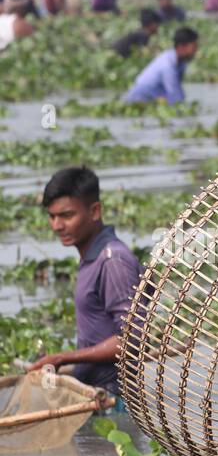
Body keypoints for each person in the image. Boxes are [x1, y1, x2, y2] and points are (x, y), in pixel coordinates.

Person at [28, 167, 143, 398]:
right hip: (91, 392)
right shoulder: (92, 256)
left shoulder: (113, 261)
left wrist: (63, 357)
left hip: (113, 399)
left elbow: (131, 340)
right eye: (52, 216)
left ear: (95, 211)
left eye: (67, 215)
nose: (57, 226)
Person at [123, 27, 199, 105]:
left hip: (152, 97)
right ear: (181, 46)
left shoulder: (181, 62)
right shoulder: (168, 64)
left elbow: (176, 92)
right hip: (138, 97)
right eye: (194, 47)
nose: (196, 50)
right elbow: (175, 95)